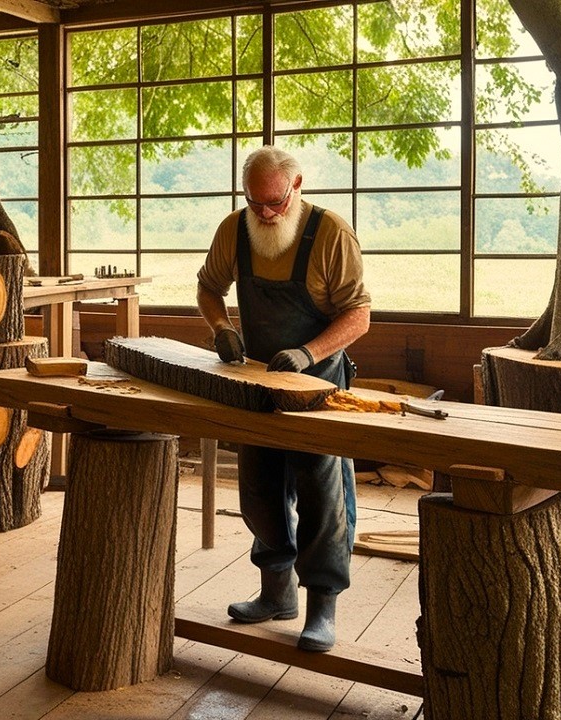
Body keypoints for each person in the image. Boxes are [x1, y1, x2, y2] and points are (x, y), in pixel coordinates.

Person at [195, 146, 371, 653]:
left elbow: (359, 314)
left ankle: (321, 608)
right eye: (255, 203)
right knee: (259, 488)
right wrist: (221, 328)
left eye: (274, 202)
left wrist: (308, 351)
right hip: (258, 384)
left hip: (318, 386)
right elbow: (208, 289)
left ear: (297, 187)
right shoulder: (235, 230)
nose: (265, 213)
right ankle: (276, 594)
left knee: (322, 494)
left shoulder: (330, 234)